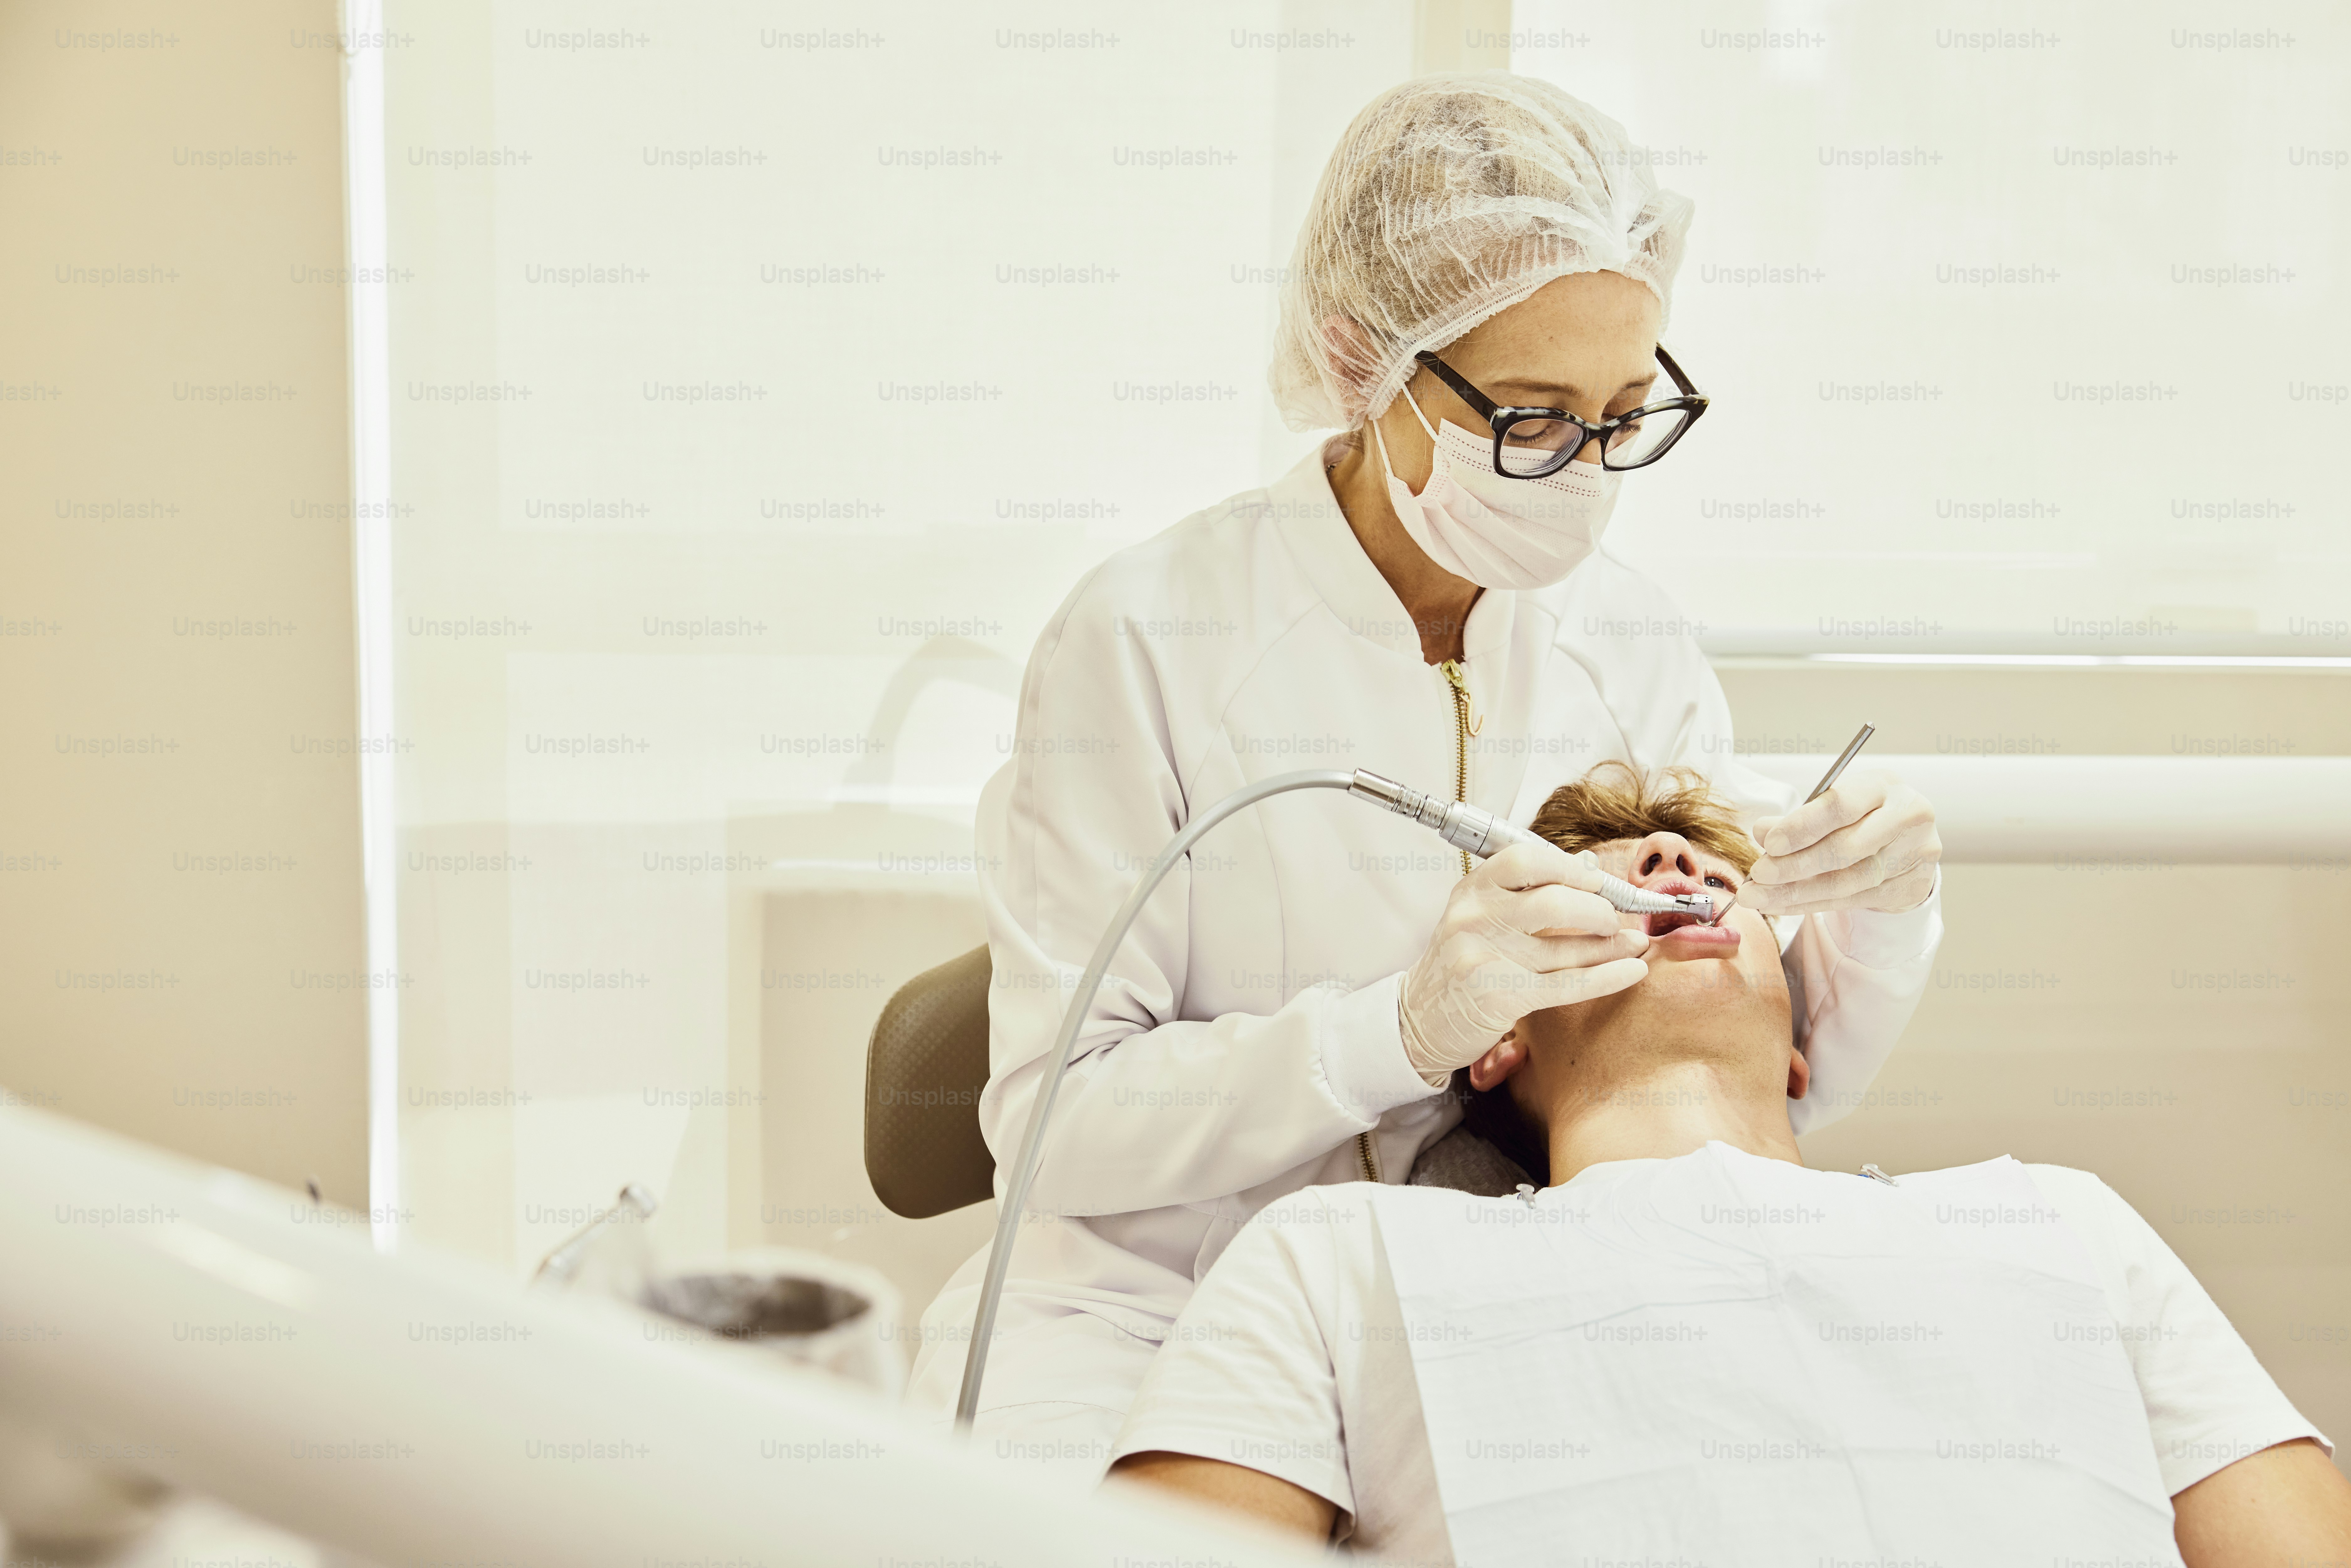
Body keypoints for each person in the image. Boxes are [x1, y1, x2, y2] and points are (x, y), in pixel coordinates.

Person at [904, 73, 1948, 1473]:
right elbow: (1061, 1126)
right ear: (1360, 360)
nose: (1584, 472)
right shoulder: (1146, 639)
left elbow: (1766, 1081)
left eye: (1625, 412)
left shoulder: (1630, 645)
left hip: (1504, 1289)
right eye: (1530, 417)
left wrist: (1878, 909)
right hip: (1147, 1304)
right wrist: (1390, 1034)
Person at [1106, 763, 2348, 1563]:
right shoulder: (1341, 1258)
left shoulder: (2059, 1225)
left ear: (1807, 1047)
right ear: (1495, 1037)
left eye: (1714, 873)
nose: (1680, 872)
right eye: (1616, 870)